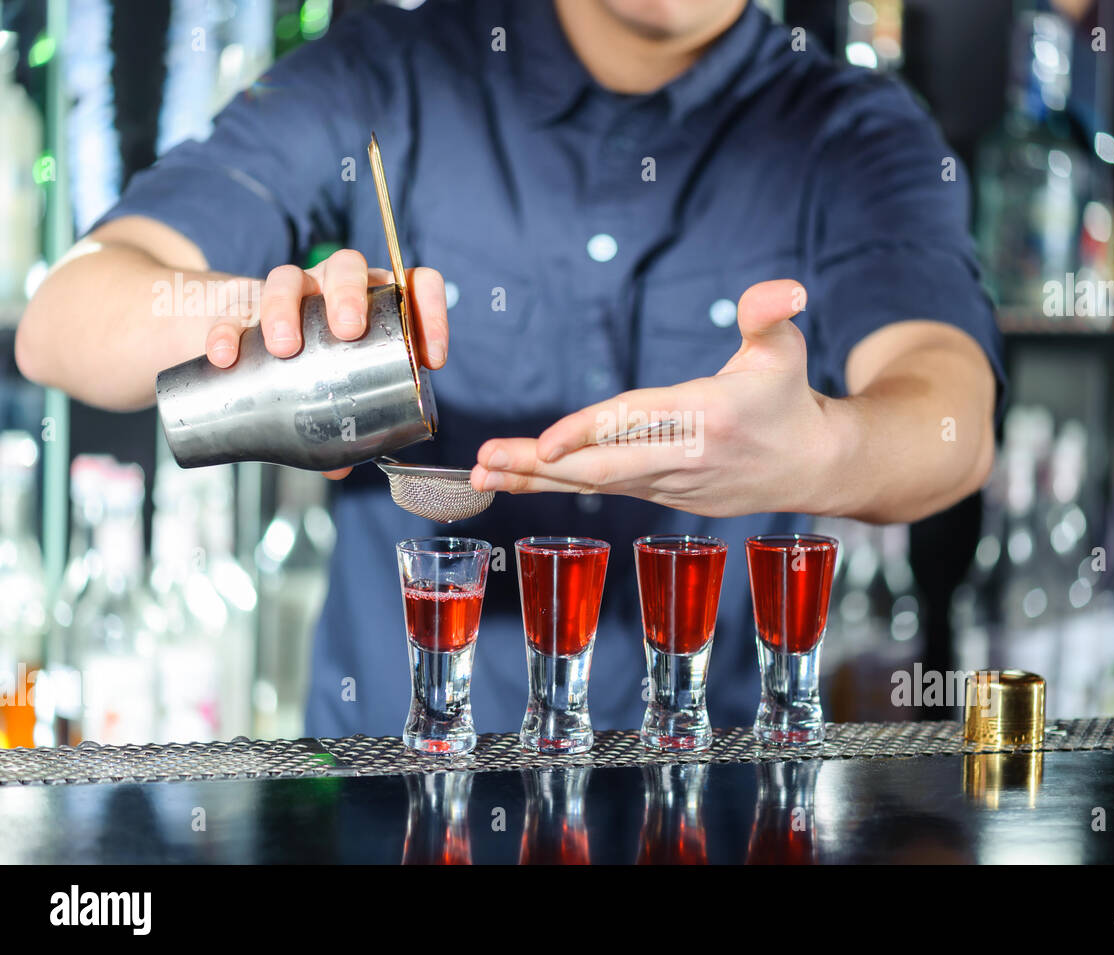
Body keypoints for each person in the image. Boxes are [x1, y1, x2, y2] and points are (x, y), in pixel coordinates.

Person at [16, 0, 1003, 737]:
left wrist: (825, 450)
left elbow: (950, 417)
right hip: (394, 797)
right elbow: (64, 319)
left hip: (708, 800)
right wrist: (252, 318)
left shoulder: (855, 130)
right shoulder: (380, 76)